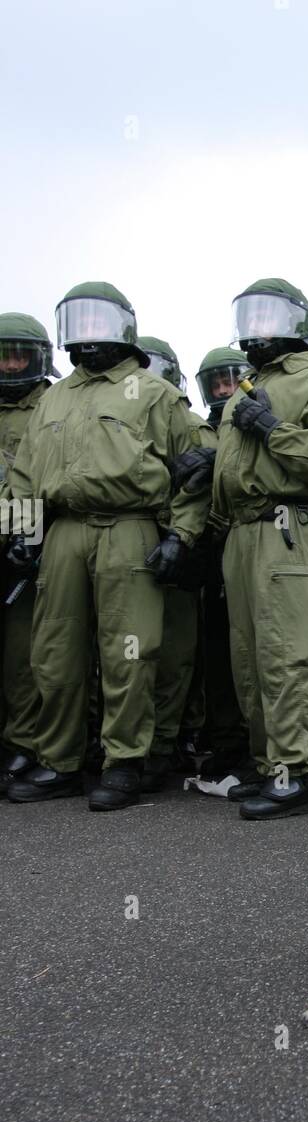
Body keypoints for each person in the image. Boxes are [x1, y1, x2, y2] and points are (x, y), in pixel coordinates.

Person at [6, 281, 211, 810]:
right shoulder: (54, 396)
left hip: (129, 527)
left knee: (131, 651)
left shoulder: (152, 392)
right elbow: (25, 476)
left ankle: (125, 762)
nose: (87, 334)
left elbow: (194, 473)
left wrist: (181, 537)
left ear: (123, 327)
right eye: (78, 323)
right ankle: (59, 761)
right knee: (54, 653)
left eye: (99, 322)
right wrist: (24, 533)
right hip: (63, 533)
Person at [211, 278, 308, 819]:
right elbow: (233, 471)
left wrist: (274, 429)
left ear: (296, 321)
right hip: (243, 533)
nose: (256, 327)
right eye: (249, 316)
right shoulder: (245, 386)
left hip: (286, 527)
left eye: (268, 315)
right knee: (250, 657)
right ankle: (270, 764)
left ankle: (293, 773)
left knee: (287, 655)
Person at [137, 335, 217, 790]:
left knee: (174, 656)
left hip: (180, 548)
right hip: (129, 541)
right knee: (125, 656)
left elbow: (199, 492)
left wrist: (182, 539)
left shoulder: (189, 424)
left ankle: (165, 744)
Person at [0, 313, 60, 792]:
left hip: (26, 539)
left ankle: (24, 743)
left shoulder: (54, 406)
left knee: (26, 656)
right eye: (6, 353)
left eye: (22, 353)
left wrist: (24, 536)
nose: (13, 363)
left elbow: (36, 479)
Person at [194, 346, 252, 780]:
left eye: (230, 381)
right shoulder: (199, 431)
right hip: (212, 556)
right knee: (218, 655)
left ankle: (266, 747)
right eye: (215, 383)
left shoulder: (256, 424)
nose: (224, 390)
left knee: (264, 651)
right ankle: (228, 742)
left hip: (260, 547)